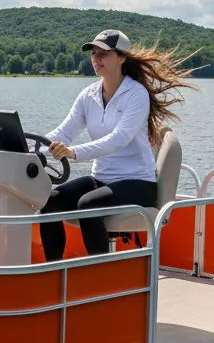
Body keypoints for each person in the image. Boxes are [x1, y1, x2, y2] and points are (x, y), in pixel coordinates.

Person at [39, 29, 196, 262]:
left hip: (138, 183)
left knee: (88, 204)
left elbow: (119, 138)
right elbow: (64, 131)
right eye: (93, 53)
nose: (96, 58)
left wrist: (73, 152)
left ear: (121, 58)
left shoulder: (136, 94)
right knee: (50, 201)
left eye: (103, 53)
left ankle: (103, 276)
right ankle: (53, 271)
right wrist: (31, 146)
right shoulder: (88, 94)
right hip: (102, 179)